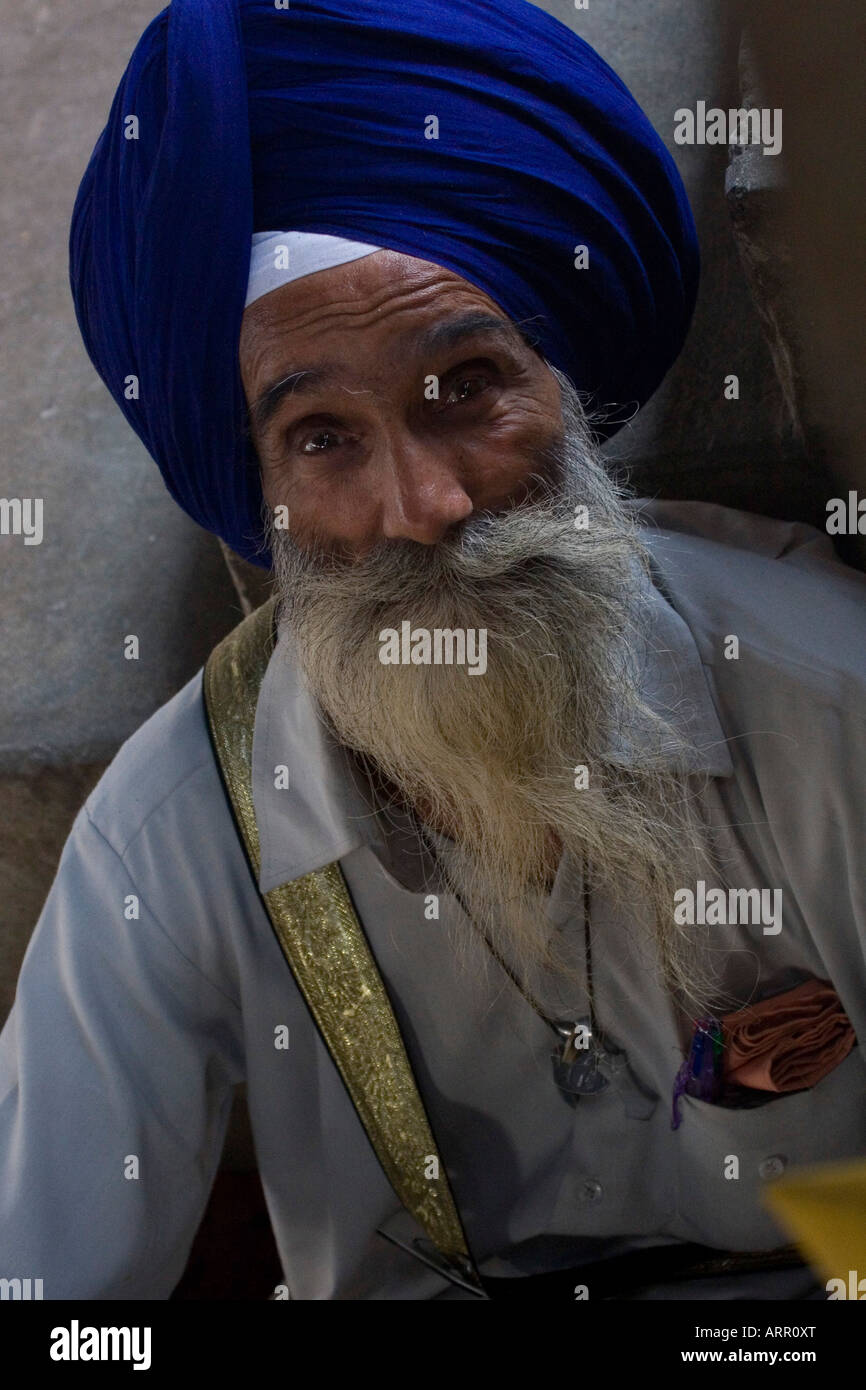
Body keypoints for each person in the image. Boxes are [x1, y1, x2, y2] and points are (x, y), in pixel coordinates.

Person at [1, 0, 864, 1300]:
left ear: (562, 382)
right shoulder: (176, 835)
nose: (426, 508)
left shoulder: (831, 707)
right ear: (263, 492)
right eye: (323, 438)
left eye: (464, 387)